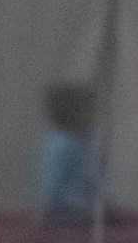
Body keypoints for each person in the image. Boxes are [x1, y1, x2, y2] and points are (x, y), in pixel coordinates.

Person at [36, 81, 100, 224]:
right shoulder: (62, 144)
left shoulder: (82, 142)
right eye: (88, 111)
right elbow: (53, 187)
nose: (93, 117)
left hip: (83, 209)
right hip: (67, 213)